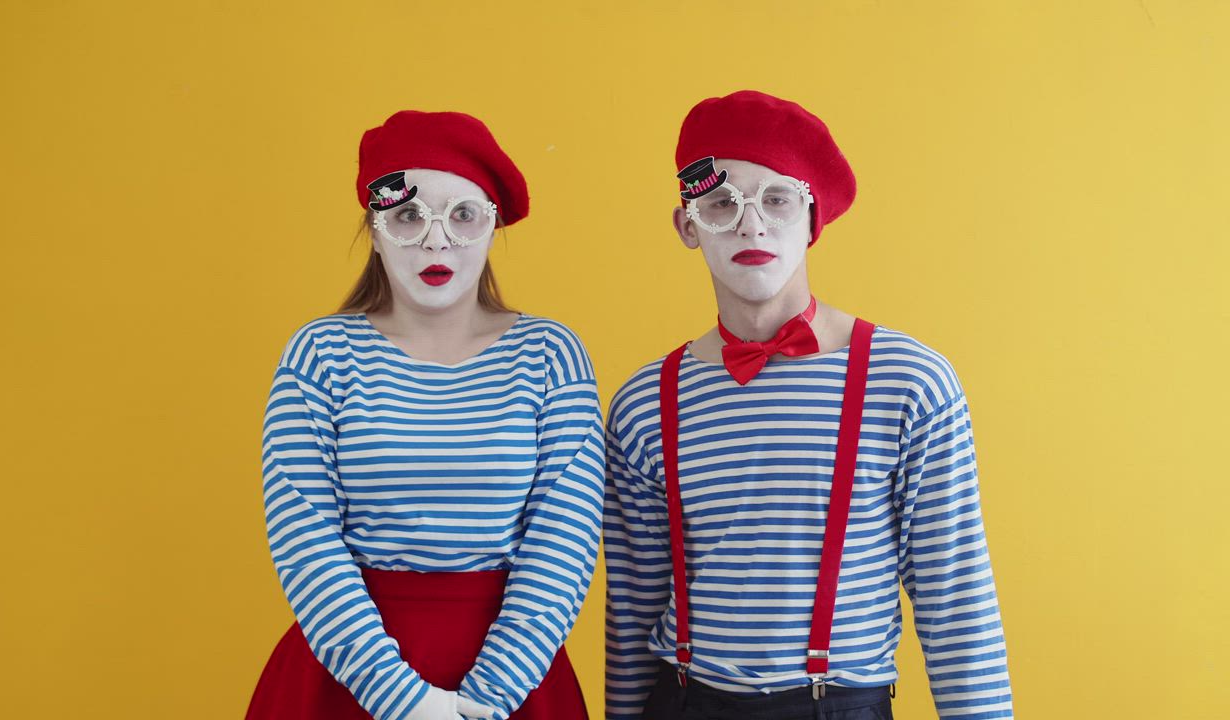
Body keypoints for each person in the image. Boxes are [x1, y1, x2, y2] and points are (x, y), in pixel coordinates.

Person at [604, 90, 1014, 720]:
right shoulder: (643, 403)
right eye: (720, 203)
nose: (751, 224)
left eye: (776, 198)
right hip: (684, 700)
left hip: (838, 705)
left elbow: (955, 599)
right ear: (689, 226)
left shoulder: (907, 381)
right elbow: (631, 612)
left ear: (812, 215)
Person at [246, 109, 605, 720]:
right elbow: (303, 536)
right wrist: (403, 701)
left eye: (464, 215)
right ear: (376, 228)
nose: (436, 240)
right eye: (408, 215)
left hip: (513, 678)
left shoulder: (551, 355)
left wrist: (487, 699)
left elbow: (563, 541)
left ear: (493, 229)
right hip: (345, 675)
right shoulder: (320, 354)